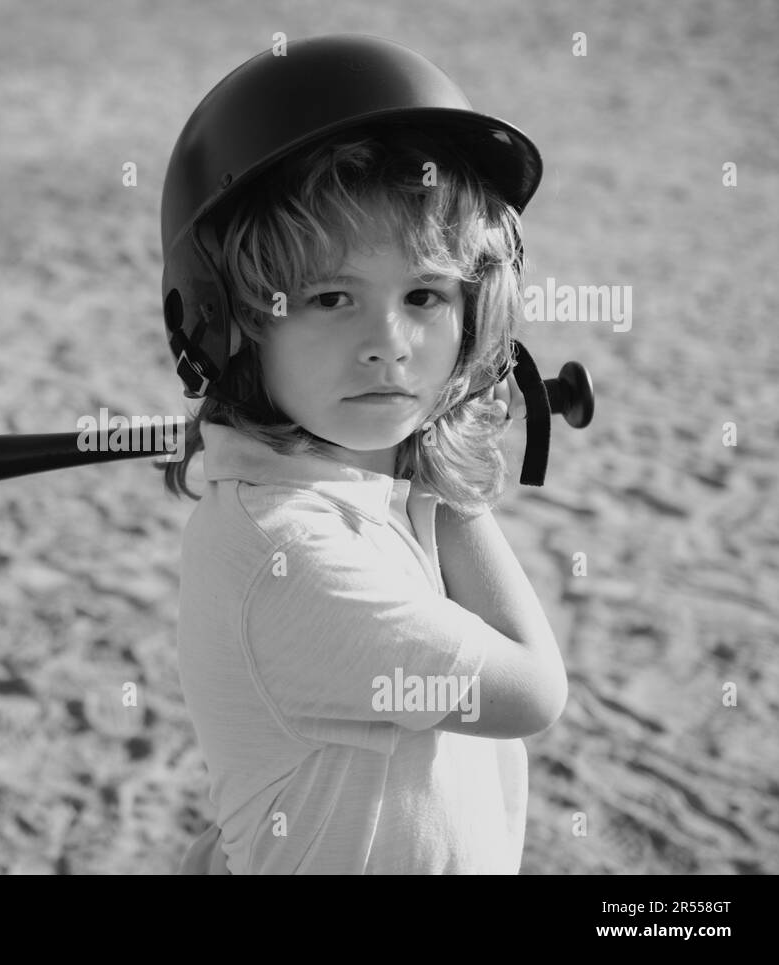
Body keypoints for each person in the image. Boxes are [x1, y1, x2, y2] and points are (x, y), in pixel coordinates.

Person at [159, 35, 568, 874]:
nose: (389, 346)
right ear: (222, 323)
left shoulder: (352, 484)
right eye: (331, 297)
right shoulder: (290, 554)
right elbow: (533, 691)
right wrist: (455, 466)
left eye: (425, 294)